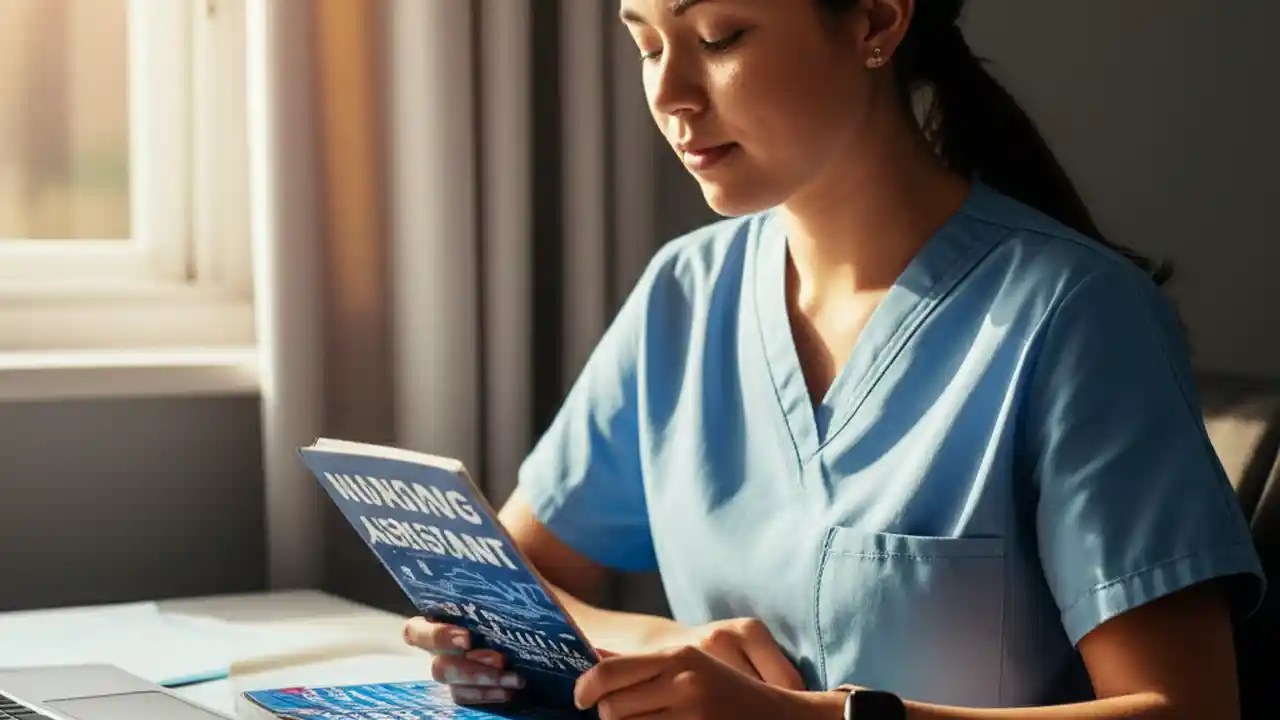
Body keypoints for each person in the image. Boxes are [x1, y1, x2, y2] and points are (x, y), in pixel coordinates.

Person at [403, 1, 1265, 717]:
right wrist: (665, 646)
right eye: (648, 46)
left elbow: (1184, 709)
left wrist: (808, 718)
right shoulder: (686, 292)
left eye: (719, 39)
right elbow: (518, 576)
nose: (669, 94)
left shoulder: (1077, 316)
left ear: (875, 23)